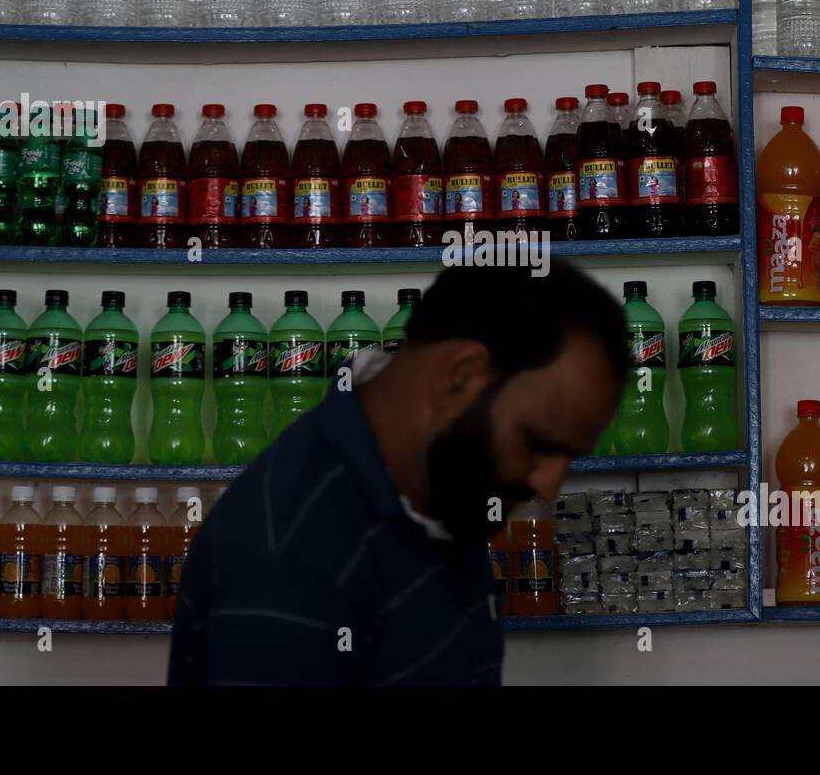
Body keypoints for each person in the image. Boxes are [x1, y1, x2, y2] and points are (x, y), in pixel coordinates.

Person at [168, 263, 627, 685]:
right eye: (539, 444)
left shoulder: (446, 482)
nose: (548, 484)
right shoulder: (289, 549)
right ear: (462, 376)